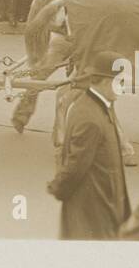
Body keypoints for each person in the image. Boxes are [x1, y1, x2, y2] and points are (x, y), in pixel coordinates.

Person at [47, 51, 131, 239]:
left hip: (101, 209)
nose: (123, 89)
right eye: (121, 83)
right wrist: (57, 187)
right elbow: (76, 165)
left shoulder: (93, 106)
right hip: (93, 214)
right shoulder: (91, 119)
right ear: (108, 82)